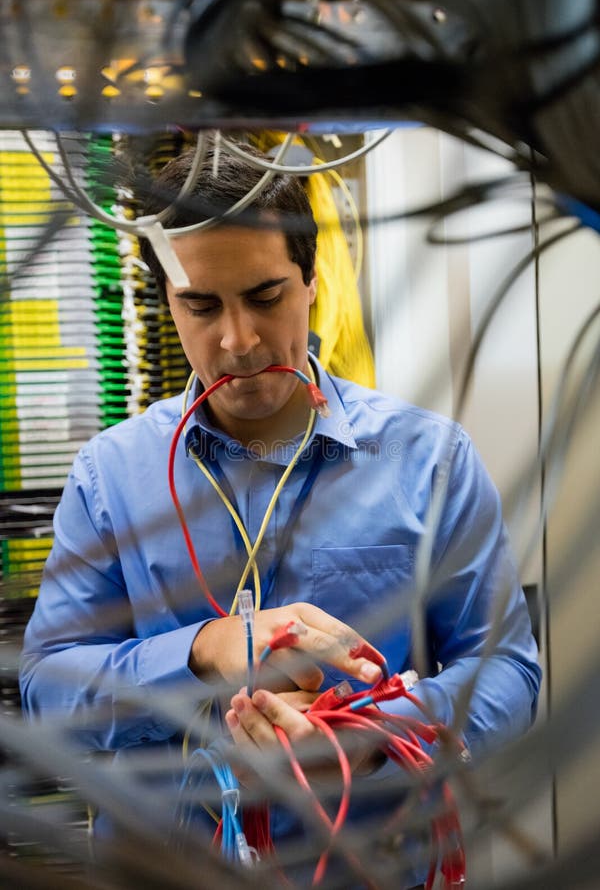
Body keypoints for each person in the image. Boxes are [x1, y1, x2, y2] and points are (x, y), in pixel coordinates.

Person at [19, 140, 541, 886]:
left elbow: (509, 675)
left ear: (311, 281)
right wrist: (202, 651)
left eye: (265, 297)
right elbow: (47, 690)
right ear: (168, 301)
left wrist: (370, 736)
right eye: (201, 306)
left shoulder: (431, 461)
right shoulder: (112, 476)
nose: (238, 341)